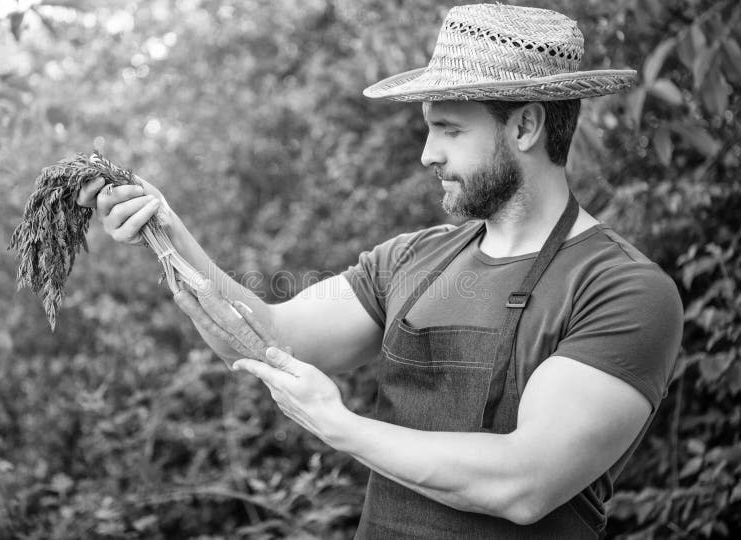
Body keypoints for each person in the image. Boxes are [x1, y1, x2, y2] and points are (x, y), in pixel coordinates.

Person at [76, 4, 683, 538]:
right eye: (428, 129)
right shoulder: (411, 258)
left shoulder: (622, 289)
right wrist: (166, 234)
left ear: (525, 125)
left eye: (449, 129)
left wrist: (341, 426)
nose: (428, 153)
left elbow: (524, 484)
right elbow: (271, 336)